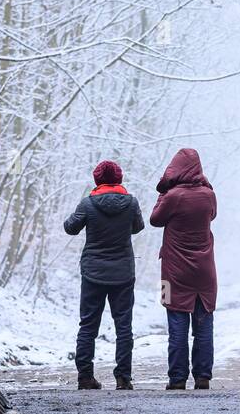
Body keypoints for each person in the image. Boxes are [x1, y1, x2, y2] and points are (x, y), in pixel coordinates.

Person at [63, 160, 144, 391]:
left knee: (88, 325)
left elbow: (70, 227)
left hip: (93, 272)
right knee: (124, 326)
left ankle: (85, 377)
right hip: (123, 273)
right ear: (119, 178)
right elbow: (137, 227)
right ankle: (123, 378)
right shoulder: (131, 203)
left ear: (97, 179)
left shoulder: (87, 204)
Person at [150, 148, 217, 390]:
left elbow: (155, 220)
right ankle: (203, 377)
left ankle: (177, 379)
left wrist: (164, 191)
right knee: (204, 324)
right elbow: (213, 215)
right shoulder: (209, 195)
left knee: (175, 323)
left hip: (172, 274)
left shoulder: (172, 196)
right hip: (205, 273)